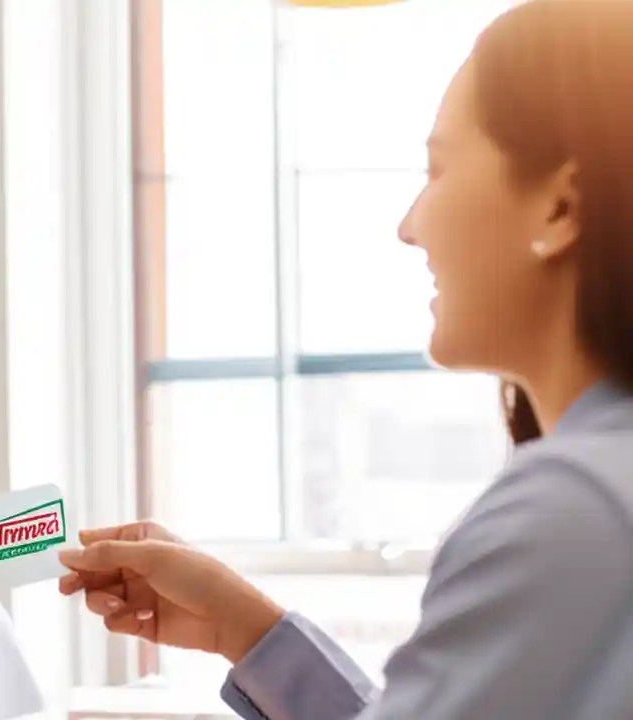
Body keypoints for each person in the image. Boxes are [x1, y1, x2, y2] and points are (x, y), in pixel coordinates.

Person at [60, 2, 633, 718]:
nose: (409, 226)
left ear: (559, 208)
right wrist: (244, 629)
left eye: (439, 168)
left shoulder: (570, 507)